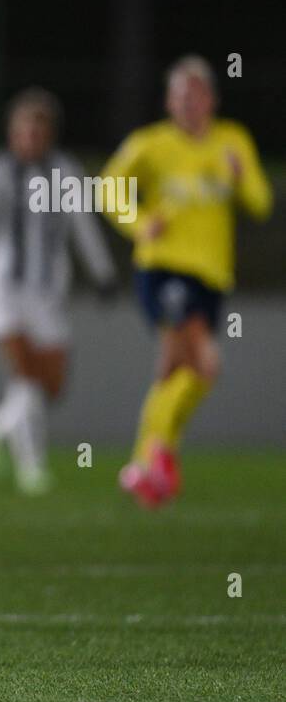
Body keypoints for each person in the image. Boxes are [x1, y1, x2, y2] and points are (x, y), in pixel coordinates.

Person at [101, 55, 272, 507]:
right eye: (180, 97)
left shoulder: (232, 140)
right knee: (205, 365)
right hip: (164, 269)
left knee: (173, 370)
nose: (189, 105)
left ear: (211, 99)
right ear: (169, 102)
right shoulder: (151, 144)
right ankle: (155, 456)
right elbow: (107, 186)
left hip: (212, 275)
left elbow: (261, 202)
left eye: (196, 96)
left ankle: (147, 464)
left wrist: (240, 178)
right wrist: (137, 223)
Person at [0, 88, 116, 494]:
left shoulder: (65, 172)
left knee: (50, 386)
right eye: (24, 129)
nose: (31, 137)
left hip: (48, 294)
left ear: (50, 133)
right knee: (24, 373)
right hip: (2, 289)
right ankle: (31, 469)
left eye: (39, 129)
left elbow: (82, 224)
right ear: (12, 133)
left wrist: (102, 272)